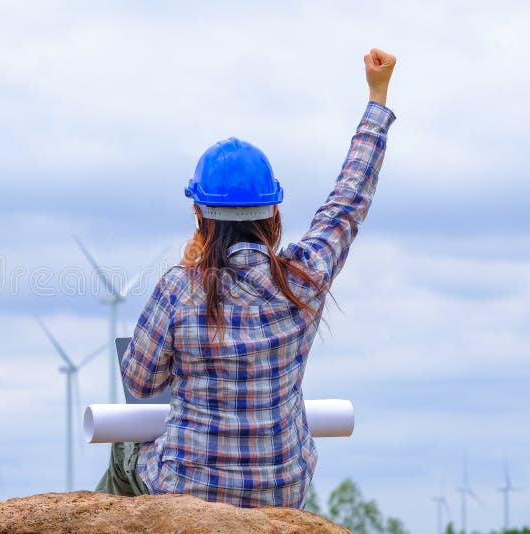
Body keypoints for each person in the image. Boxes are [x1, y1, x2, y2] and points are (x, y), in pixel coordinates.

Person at [95, 48, 397, 508]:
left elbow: (140, 384)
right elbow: (349, 201)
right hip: (282, 491)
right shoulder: (304, 278)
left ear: (199, 212)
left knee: (123, 452)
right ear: (273, 211)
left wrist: (192, 268)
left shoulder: (180, 287)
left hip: (188, 490)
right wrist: (377, 96)